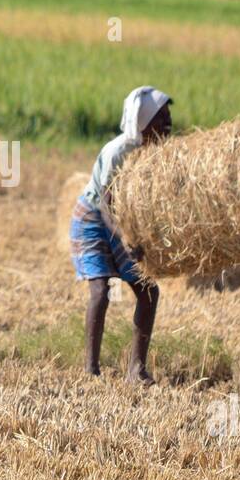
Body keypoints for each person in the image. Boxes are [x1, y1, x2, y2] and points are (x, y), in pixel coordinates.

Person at [69, 86, 172, 386]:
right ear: (144, 122)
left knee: (148, 292)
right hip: (93, 218)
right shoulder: (118, 151)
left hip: (124, 222)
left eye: (168, 116)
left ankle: (136, 370)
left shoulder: (158, 155)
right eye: (162, 117)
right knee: (101, 291)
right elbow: (106, 204)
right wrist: (128, 240)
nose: (169, 123)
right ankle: (91, 370)